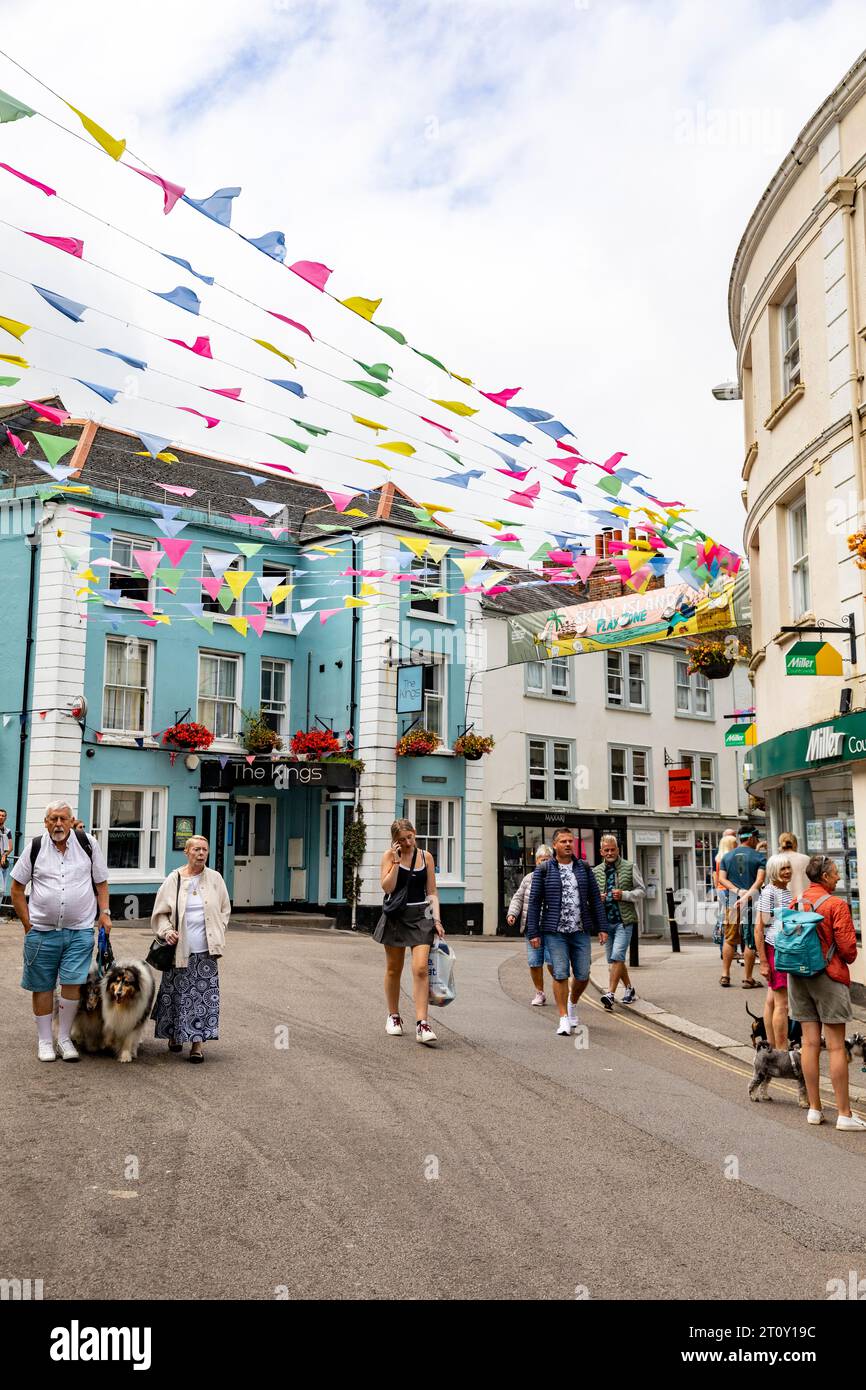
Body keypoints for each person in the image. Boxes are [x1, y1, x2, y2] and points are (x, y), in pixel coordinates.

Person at [10, 800, 110, 1062]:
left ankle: (64, 1038)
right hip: (42, 931)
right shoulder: (35, 847)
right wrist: (27, 925)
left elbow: (101, 881)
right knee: (42, 986)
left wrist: (105, 913)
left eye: (63, 819)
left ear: (71, 820)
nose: (58, 824)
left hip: (79, 930)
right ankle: (45, 1041)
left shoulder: (88, 844)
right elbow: (17, 889)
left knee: (72, 984)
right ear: (46, 822)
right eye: (53, 819)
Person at [790, 855, 865, 1131]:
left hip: (797, 977)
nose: (838, 878)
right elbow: (848, 951)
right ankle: (844, 1114)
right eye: (835, 874)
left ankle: (814, 1109)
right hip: (828, 977)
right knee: (835, 1045)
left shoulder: (796, 901)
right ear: (824, 877)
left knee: (809, 1044)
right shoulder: (836, 905)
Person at [151, 836, 231, 1063]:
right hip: (179, 950)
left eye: (205, 849)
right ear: (186, 852)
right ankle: (175, 1036)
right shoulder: (174, 879)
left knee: (203, 998)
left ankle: (197, 1045)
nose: (201, 853)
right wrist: (167, 931)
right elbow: (160, 912)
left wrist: (219, 929)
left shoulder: (215, 878)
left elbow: (225, 908)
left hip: (206, 951)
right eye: (196, 849)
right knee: (177, 995)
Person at [526, 827, 606, 1036]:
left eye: (571, 841)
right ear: (555, 845)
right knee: (560, 973)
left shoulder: (583, 868)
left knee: (582, 974)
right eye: (563, 841)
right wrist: (533, 932)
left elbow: (595, 899)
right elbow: (534, 903)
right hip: (555, 931)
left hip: (580, 930)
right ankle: (563, 1018)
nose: (568, 844)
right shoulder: (544, 870)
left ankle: (572, 1003)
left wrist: (602, 927)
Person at [376, 818, 445, 1045]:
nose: (407, 843)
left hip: (421, 917)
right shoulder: (389, 856)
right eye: (401, 840)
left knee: (421, 968)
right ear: (394, 841)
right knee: (394, 969)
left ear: (415, 833)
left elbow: (432, 890)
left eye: (410, 837)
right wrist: (396, 862)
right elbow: (387, 888)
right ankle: (393, 1016)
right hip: (396, 916)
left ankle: (422, 1024)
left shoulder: (426, 857)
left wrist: (437, 919)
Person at [592, 833, 645, 1010]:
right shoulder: (596, 871)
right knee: (615, 960)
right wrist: (596, 899)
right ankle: (629, 989)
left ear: (618, 850)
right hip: (606, 924)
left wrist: (624, 895)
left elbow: (641, 891)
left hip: (624, 921)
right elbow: (589, 899)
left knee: (617, 957)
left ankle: (610, 994)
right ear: (601, 851)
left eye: (612, 849)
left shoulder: (630, 867)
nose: (609, 853)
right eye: (606, 850)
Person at [717, 827, 766, 989]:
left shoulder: (727, 857)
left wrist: (737, 892)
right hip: (753, 901)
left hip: (732, 902)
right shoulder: (759, 857)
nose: (757, 841)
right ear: (751, 838)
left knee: (730, 939)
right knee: (750, 941)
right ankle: (748, 978)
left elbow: (721, 879)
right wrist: (746, 895)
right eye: (756, 838)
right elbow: (759, 881)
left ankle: (725, 975)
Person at [507, 844, 553, 1005]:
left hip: (551, 928)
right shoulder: (529, 879)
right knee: (534, 962)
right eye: (542, 860)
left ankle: (561, 990)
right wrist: (512, 913)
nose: (544, 863)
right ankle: (539, 993)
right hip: (532, 927)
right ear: (536, 861)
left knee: (553, 962)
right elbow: (518, 898)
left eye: (547, 860)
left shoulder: (556, 878)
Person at [755, 853, 793, 1048]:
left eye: (788, 867)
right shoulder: (770, 892)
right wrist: (763, 961)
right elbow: (759, 928)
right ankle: (781, 1050)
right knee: (782, 1004)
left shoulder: (785, 890)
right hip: (775, 949)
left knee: (772, 1000)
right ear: (773, 872)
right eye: (782, 869)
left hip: (783, 948)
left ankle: (770, 1045)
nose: (787, 872)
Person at [713, 833, 737, 958]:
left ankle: (724, 949)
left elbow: (716, 877)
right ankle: (727, 950)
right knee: (731, 921)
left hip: (721, 890)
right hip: (729, 890)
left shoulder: (718, 858)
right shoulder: (728, 859)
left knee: (725, 920)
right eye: (735, 844)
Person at [778, 832, 811, 899]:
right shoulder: (807, 859)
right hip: (805, 902)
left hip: (784, 904)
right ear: (795, 844)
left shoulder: (776, 860)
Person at [0, 807, 12, 906]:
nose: (1, 817)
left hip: (3, 864)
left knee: (2, 891)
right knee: (0, 889)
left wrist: (4, 855)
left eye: (3, 816)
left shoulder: (7, 831)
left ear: (5, 818)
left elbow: (10, 847)